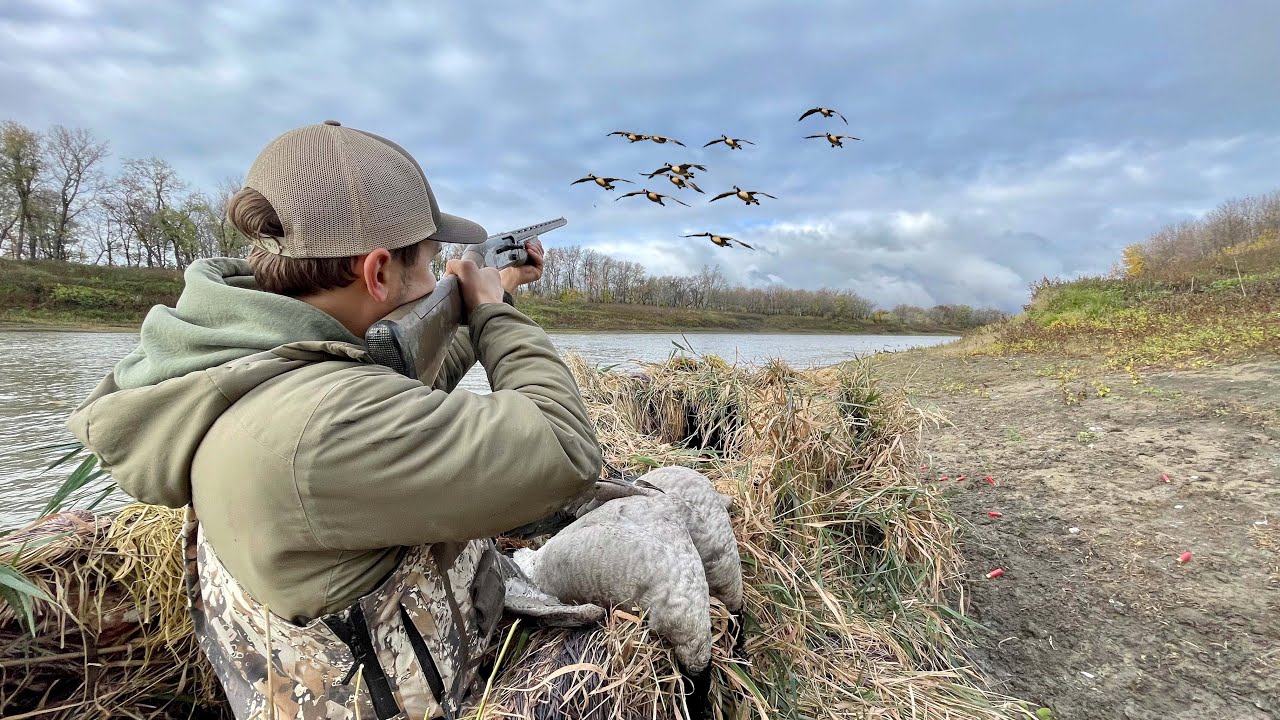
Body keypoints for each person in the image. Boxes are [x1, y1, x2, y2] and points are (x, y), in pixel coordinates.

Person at [66, 120, 602, 720]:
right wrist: (491, 313)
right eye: (430, 264)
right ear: (376, 273)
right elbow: (566, 447)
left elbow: (398, 383)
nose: (437, 280)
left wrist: (487, 294)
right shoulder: (324, 426)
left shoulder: (240, 356)